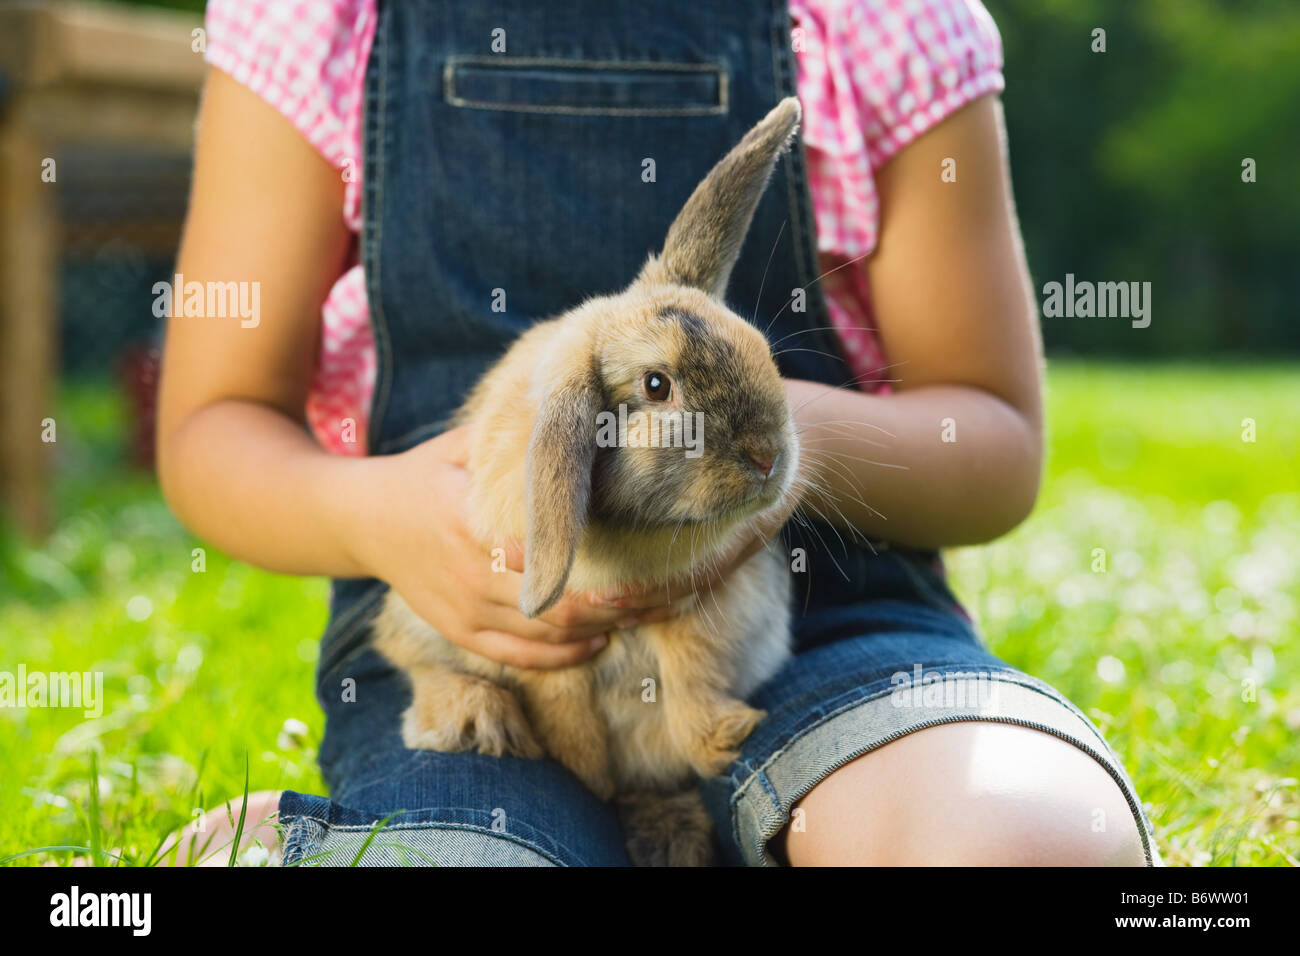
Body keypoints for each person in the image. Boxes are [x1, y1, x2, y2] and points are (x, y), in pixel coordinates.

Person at [157, 0, 1157, 866]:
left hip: (822, 617)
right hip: (480, 651)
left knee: (1022, 844)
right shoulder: (326, 23)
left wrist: (759, 447)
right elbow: (213, 425)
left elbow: (994, 439)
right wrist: (388, 517)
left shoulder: (877, 22)